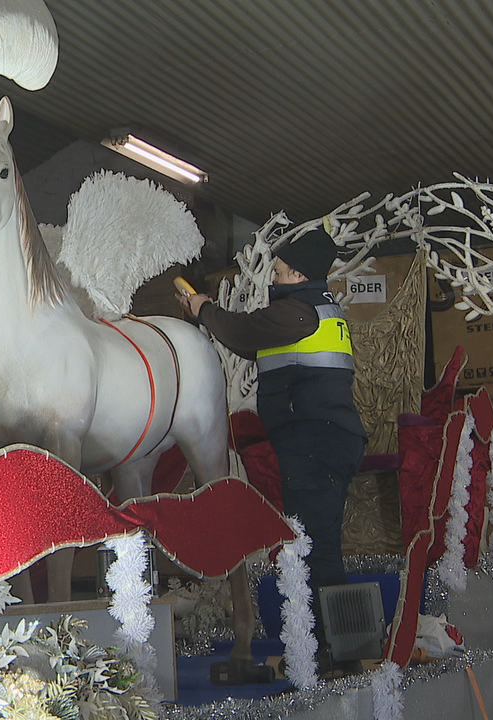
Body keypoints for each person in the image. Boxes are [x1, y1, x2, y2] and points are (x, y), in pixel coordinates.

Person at [177, 228, 367, 661]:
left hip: (315, 443)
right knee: (319, 544)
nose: (274, 277)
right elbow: (257, 343)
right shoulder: (316, 311)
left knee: (319, 549)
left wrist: (204, 308)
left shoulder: (300, 312)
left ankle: (342, 653)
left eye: (280, 270)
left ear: (299, 274)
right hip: (326, 440)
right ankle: (333, 650)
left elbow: (245, 333)